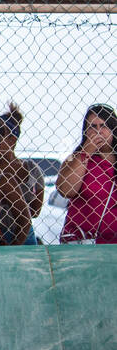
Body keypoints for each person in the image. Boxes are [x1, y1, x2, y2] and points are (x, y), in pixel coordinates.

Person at [58, 103, 117, 244]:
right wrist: (86, 152)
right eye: (92, 127)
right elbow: (66, 190)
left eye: (103, 126)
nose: (98, 132)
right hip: (83, 242)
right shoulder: (76, 159)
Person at [0, 103, 45, 243]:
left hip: (24, 234)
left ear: (12, 139)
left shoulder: (31, 170)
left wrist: (18, 210)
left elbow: (36, 211)